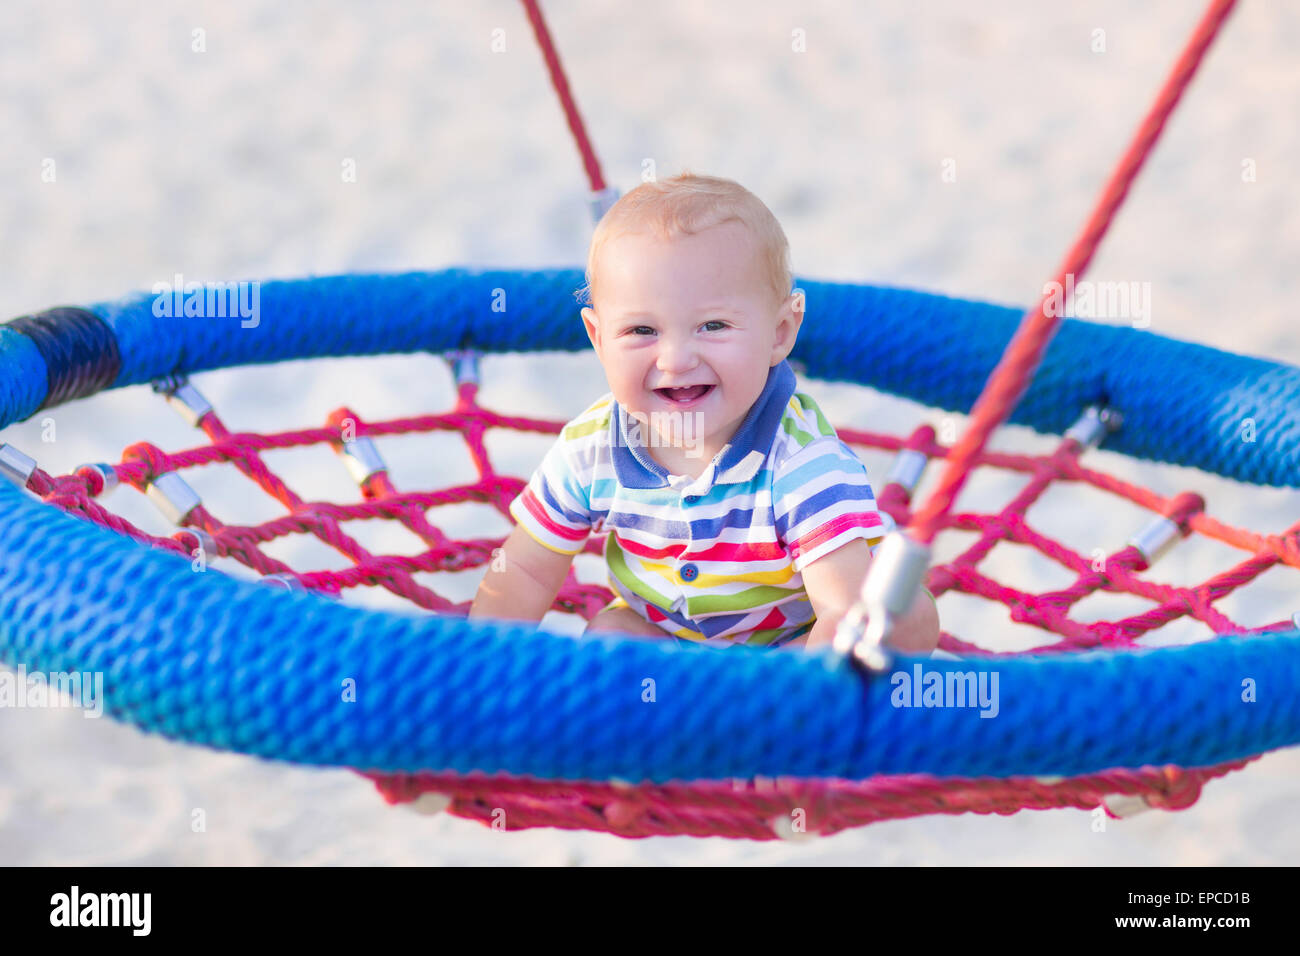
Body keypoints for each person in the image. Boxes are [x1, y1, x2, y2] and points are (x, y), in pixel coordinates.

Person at [469, 173, 938, 653]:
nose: (675, 359)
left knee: (902, 621)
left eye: (713, 325)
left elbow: (843, 616)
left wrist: (783, 696)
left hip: (788, 644)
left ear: (779, 332)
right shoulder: (590, 448)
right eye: (641, 330)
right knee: (610, 638)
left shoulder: (801, 463)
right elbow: (524, 569)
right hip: (664, 634)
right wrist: (479, 664)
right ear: (598, 337)